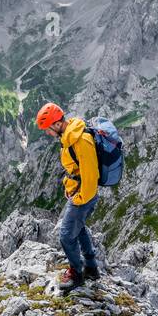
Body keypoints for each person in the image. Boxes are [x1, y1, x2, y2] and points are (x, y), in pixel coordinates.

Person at [36, 102, 101, 293]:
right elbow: (76, 169)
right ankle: (91, 267)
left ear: (56, 124)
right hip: (79, 191)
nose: (47, 133)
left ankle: (76, 274)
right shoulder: (69, 136)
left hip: (85, 195)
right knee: (79, 228)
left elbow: (90, 175)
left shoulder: (81, 141)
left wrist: (79, 198)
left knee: (65, 235)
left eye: (47, 129)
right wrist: (70, 186)